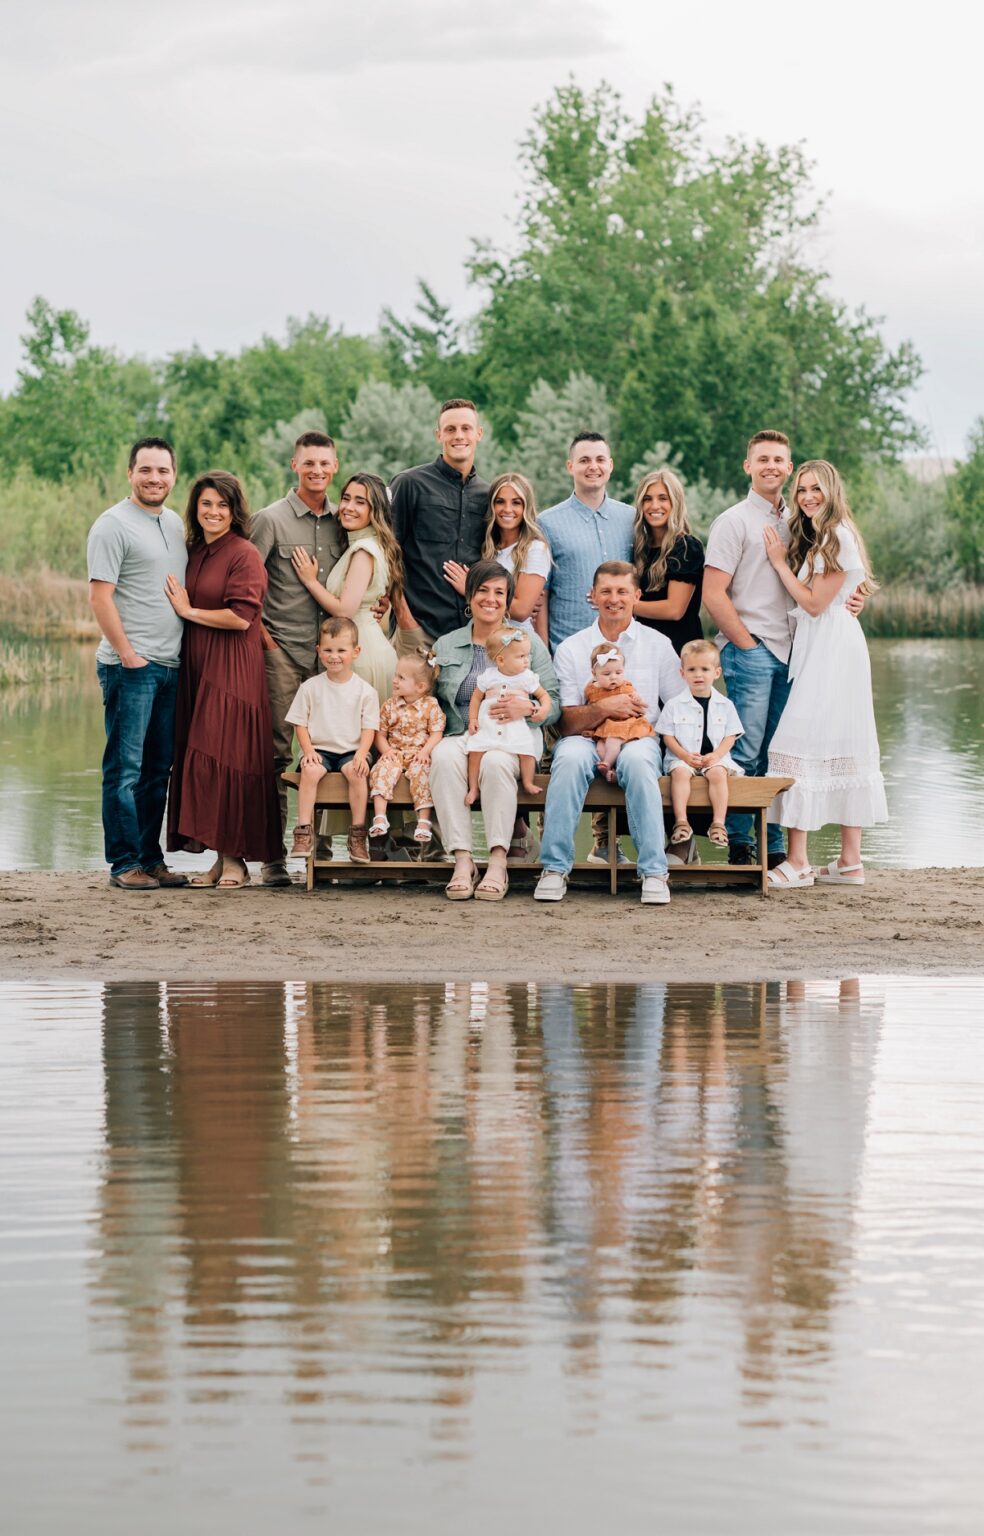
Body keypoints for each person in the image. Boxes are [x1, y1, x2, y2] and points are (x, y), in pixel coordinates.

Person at [702, 429, 865, 869]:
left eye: (779, 460)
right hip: (753, 649)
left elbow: (837, 570)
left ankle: (776, 847)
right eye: (763, 459)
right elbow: (713, 594)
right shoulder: (733, 521)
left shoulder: (802, 518)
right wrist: (745, 643)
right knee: (747, 750)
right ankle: (740, 844)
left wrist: (857, 595)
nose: (771, 466)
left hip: (799, 655)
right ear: (748, 466)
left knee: (781, 753)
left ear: (789, 468)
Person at [763, 461, 888, 888]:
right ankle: (849, 862)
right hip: (828, 643)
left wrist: (779, 564)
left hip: (832, 648)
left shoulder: (836, 535)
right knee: (841, 743)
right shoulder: (827, 535)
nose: (808, 496)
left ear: (832, 491)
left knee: (796, 743)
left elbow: (816, 604)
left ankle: (798, 862)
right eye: (801, 490)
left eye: (816, 488)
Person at [534, 561, 680, 905]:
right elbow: (564, 721)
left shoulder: (657, 644)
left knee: (642, 764)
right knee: (567, 760)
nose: (614, 599)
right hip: (585, 737)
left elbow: (678, 706)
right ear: (593, 596)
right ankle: (555, 868)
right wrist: (604, 708)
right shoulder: (572, 647)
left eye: (622, 591)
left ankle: (654, 871)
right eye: (606, 592)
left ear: (636, 595)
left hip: (640, 736)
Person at [164, 471, 281, 888]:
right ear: (195, 508)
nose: (213, 512)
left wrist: (189, 611)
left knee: (228, 756)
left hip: (231, 667)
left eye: (222, 505)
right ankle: (219, 859)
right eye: (206, 504)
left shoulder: (243, 552)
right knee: (202, 760)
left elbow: (240, 616)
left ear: (235, 511)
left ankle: (236, 862)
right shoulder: (194, 551)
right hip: (197, 665)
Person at [87, 437, 188, 891]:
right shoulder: (112, 525)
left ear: (173, 474)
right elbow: (99, 596)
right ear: (130, 473)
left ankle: (151, 859)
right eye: (145, 470)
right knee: (124, 770)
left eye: (162, 471)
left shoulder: (174, 521)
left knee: (156, 772)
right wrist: (128, 655)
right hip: (132, 668)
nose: (155, 479)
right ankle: (124, 863)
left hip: (170, 666)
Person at [429, 561, 560, 901]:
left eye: (499, 592)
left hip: (514, 738)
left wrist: (531, 709)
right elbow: (429, 700)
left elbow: (553, 702)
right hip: (465, 734)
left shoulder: (526, 640)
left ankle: (498, 861)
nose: (490, 599)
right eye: (482, 590)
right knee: (442, 757)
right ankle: (463, 860)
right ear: (469, 596)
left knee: (497, 763)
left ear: (508, 599)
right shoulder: (446, 645)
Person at [250, 431, 347, 884]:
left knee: (332, 750)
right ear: (294, 465)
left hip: (331, 659)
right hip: (282, 655)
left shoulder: (343, 522)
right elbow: (246, 587)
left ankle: (320, 854)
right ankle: (271, 857)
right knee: (275, 754)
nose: (317, 470)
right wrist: (266, 643)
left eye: (324, 463)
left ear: (335, 465)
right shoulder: (269, 520)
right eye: (308, 463)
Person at [539, 432, 636, 865]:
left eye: (600, 459)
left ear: (611, 465)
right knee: (561, 748)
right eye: (584, 460)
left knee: (614, 742)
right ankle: (547, 844)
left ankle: (605, 842)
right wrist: (542, 647)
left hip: (618, 658)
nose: (592, 466)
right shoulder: (548, 522)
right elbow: (541, 592)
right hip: (567, 649)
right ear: (570, 466)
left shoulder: (630, 519)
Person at [289, 472, 400, 702]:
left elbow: (345, 610)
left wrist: (310, 581)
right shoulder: (368, 544)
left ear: (375, 509)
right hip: (364, 644)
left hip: (362, 652)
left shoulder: (363, 551)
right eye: (346, 498)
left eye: (360, 502)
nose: (348, 507)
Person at [390, 398, 490, 654]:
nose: (459, 436)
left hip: (471, 631)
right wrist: (404, 618)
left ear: (479, 434)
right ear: (438, 435)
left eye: (466, 428)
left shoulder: (489, 495)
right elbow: (388, 554)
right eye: (450, 429)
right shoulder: (409, 484)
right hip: (420, 630)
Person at [286, 617, 380, 865]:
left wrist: (362, 753)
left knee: (358, 773)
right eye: (328, 650)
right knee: (310, 770)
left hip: (352, 751)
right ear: (319, 651)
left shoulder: (365, 691)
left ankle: (358, 836)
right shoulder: (310, 687)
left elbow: (369, 728)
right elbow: (300, 723)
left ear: (356, 652)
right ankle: (304, 833)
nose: (334, 656)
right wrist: (307, 751)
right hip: (320, 750)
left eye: (341, 650)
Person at [656, 638, 745, 853]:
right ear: (682, 673)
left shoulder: (725, 705)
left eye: (704, 669)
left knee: (717, 774)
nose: (698, 675)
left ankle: (718, 823)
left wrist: (716, 755)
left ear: (717, 673)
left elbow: (730, 736)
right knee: (679, 774)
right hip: (683, 757)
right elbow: (667, 736)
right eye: (692, 669)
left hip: (714, 758)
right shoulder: (674, 705)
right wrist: (684, 756)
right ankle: (682, 821)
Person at [442, 471, 551, 640]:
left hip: (515, 643)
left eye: (516, 503)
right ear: (492, 506)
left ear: (526, 507)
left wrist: (469, 589)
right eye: (500, 502)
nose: (507, 509)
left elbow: (522, 611)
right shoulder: (488, 547)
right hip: (485, 639)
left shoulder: (535, 549)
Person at [368, 650, 446, 845]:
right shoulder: (389, 706)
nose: (394, 680)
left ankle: (424, 821)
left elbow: (437, 732)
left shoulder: (431, 706)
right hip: (395, 754)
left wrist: (425, 751)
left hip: (419, 755)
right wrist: (386, 751)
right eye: (396, 675)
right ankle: (380, 817)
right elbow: (380, 734)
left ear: (421, 686)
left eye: (401, 678)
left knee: (423, 774)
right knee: (381, 771)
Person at [466, 627, 551, 804]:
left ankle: (528, 782)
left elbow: (544, 695)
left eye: (527, 655)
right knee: (475, 751)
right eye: (521, 657)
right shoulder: (488, 676)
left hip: (515, 727)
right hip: (488, 725)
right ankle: (474, 787)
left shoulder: (527, 677)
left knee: (526, 750)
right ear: (501, 660)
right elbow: (476, 698)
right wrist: (473, 719)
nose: (527, 661)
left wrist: (541, 710)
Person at [630, 468, 705, 653]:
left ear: (675, 503)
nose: (654, 506)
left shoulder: (686, 547)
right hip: (645, 649)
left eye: (663, 498)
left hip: (679, 652)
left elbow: (674, 610)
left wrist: (622, 605)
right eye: (647, 499)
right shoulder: (640, 549)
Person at [583, 643, 655, 782]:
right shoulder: (590, 689)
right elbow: (589, 707)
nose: (613, 677)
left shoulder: (625, 686)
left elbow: (637, 699)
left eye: (618, 672)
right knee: (600, 748)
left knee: (612, 742)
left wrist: (636, 698)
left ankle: (608, 763)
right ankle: (610, 773)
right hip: (605, 726)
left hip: (624, 724)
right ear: (594, 674)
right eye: (606, 674)